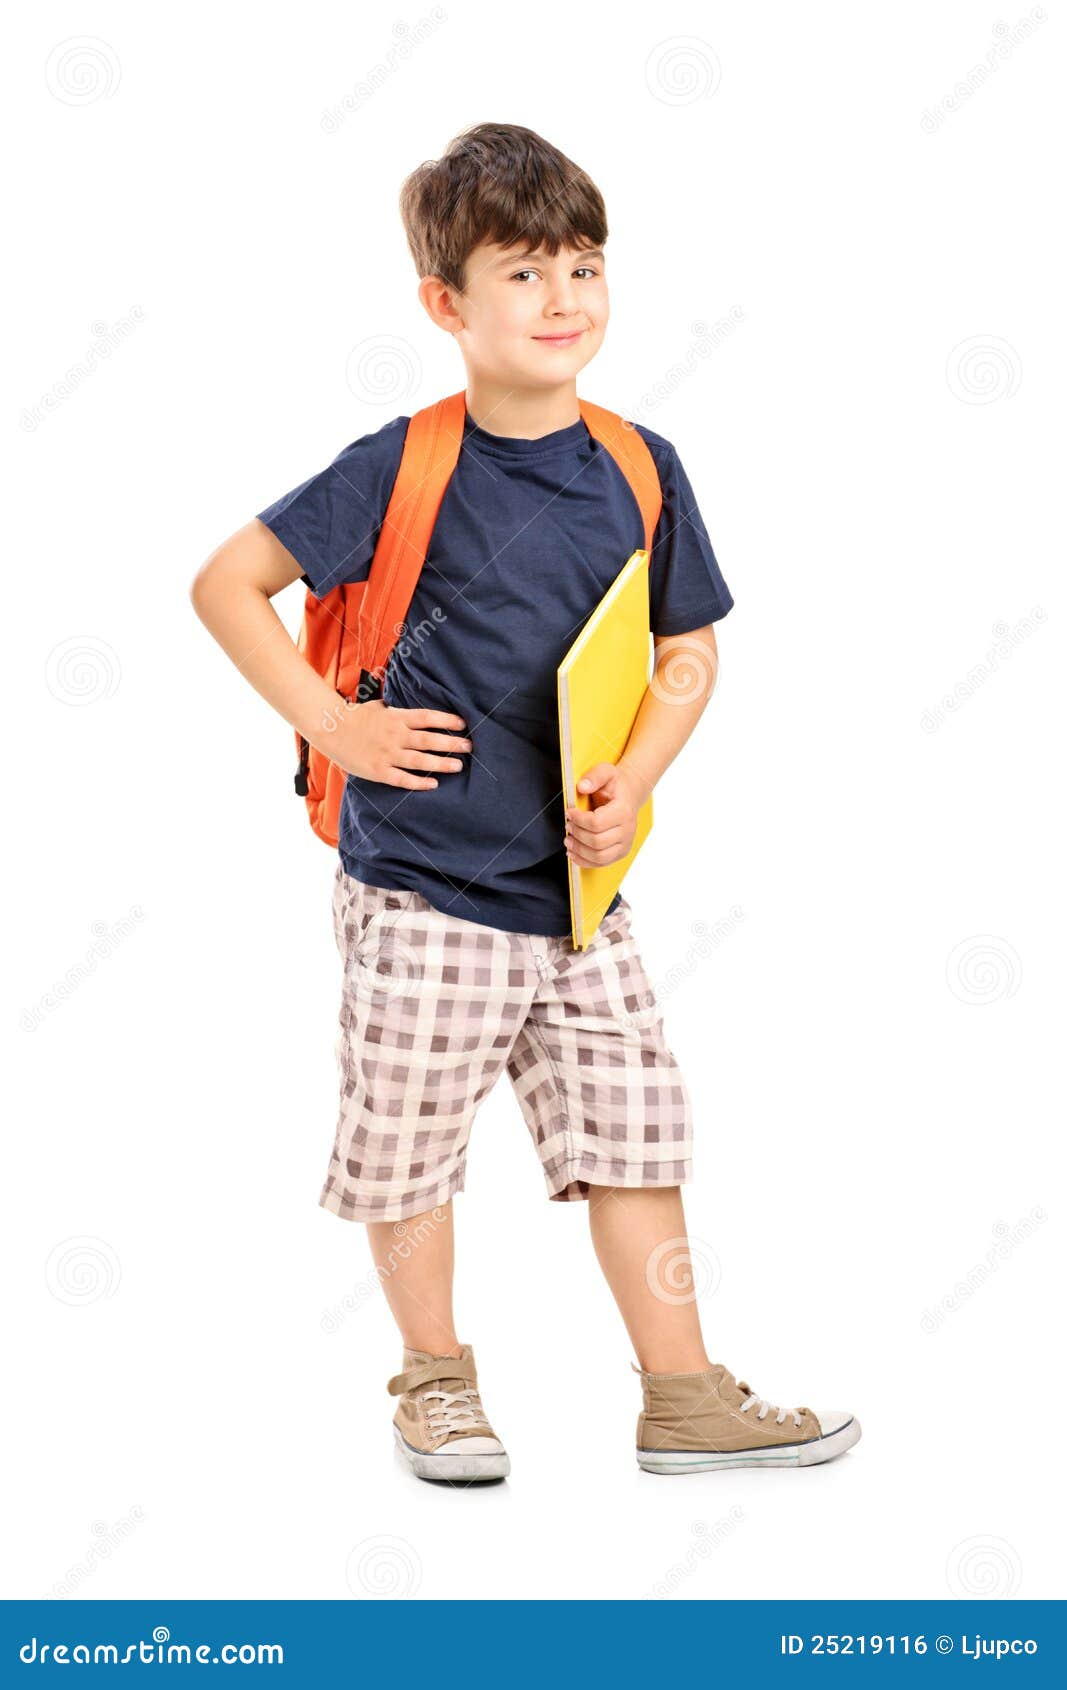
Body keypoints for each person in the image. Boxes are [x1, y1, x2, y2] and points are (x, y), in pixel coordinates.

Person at [190, 121, 860, 1484]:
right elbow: (226, 582)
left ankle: (680, 1396)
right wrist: (332, 721)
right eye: (524, 273)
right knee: (412, 1149)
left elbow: (686, 651)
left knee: (636, 1133)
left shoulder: (641, 464)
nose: (564, 300)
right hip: (426, 882)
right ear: (446, 304)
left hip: (582, 895)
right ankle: (435, 1381)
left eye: (585, 267)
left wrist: (643, 774)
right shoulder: (399, 463)